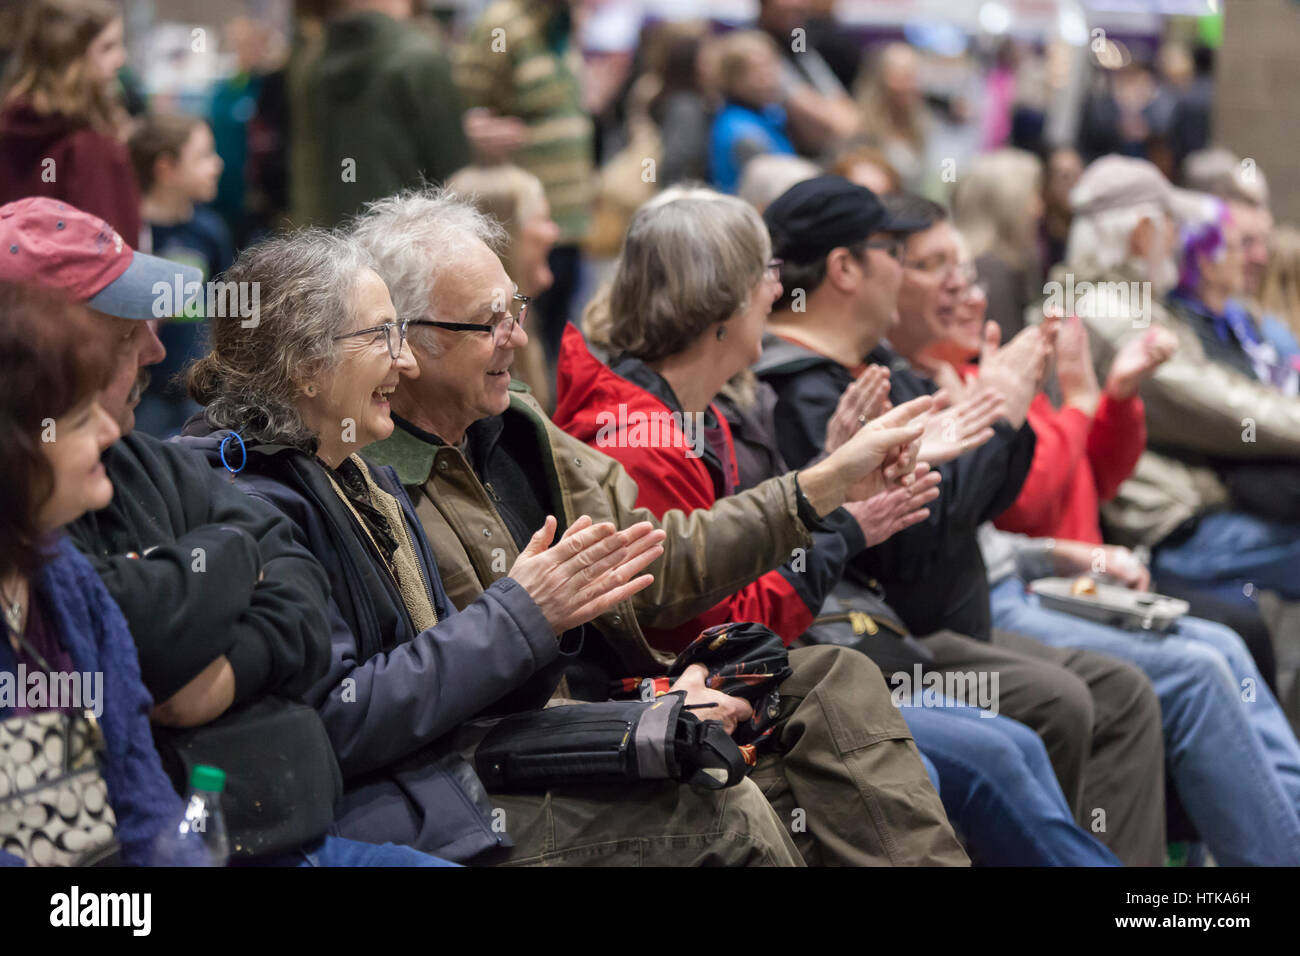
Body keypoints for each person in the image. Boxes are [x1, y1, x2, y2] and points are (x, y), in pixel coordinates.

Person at [355, 187, 970, 866]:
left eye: (516, 311)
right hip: (512, 764)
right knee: (738, 810)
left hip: (617, 705)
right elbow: (456, 702)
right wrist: (658, 709)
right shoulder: (371, 482)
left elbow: (660, 559)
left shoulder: (520, 426)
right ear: (405, 341)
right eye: (488, 322)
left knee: (839, 681)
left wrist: (824, 486)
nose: (518, 337)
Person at [179, 226, 803, 867]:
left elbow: (453, 682)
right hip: (380, 805)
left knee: (777, 738)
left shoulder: (362, 479)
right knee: (725, 814)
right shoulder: (251, 507)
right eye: (381, 337)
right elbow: (340, 721)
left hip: (444, 771)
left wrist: (550, 622)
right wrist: (521, 613)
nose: (405, 361)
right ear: (306, 368)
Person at [551, 186, 1116, 866]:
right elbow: (713, 621)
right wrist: (846, 517)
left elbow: (746, 570)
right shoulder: (639, 433)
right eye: (765, 274)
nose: (777, 290)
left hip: (790, 663)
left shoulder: (697, 411)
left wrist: (834, 479)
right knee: (1005, 739)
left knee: (1032, 728)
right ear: (722, 300)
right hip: (713, 693)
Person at [0, 197, 449, 867]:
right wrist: (522, 616)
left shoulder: (128, 481)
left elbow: (301, 602)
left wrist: (227, 663)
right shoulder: (190, 480)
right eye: (123, 331)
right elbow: (156, 629)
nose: (157, 345)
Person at [755, 177, 1167, 864]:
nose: (953, 285)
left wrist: (1012, 413)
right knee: (1056, 706)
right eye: (908, 255)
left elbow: (993, 501)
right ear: (847, 267)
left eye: (962, 269)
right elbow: (913, 544)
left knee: (1131, 684)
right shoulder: (804, 385)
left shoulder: (878, 367)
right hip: (885, 637)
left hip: (938, 622)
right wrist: (1019, 411)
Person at [926, 252, 1300, 865]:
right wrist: (1074, 401)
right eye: (948, 282)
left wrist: (1116, 399)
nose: (970, 299)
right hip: (1023, 591)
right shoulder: (959, 387)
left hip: (1066, 573)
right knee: (1205, 661)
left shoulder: (985, 374)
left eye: (972, 284)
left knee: (1224, 646)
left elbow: (1094, 479)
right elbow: (1022, 503)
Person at [0, 280, 180, 867]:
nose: (109, 429)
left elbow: (141, 799)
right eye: (81, 418)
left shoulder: (64, 577)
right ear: (14, 451)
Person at [455, 0, 592, 370]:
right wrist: (471, 131)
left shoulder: (564, 23)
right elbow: (461, 111)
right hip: (520, 223)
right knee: (519, 346)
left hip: (567, 221)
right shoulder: (502, 25)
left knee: (555, 348)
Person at [289, 0, 469, 227]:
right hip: (406, 243)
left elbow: (303, 163)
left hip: (327, 245)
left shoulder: (310, 64)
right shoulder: (421, 60)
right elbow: (456, 175)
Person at [128, 112, 232, 438]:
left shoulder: (210, 230)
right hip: (143, 391)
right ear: (166, 168)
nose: (217, 164)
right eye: (203, 156)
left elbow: (229, 304)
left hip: (196, 390)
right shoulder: (129, 231)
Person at [0, 0, 138, 239]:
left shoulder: (10, 128)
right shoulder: (90, 147)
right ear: (70, 57)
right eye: (107, 47)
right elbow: (111, 256)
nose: (121, 59)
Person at [446, 164, 560, 412]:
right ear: (504, 237)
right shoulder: (481, 354)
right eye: (542, 220)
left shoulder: (526, 320)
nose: (553, 232)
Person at [952, 149, 1045, 342]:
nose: (1039, 210)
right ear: (1006, 204)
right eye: (1033, 196)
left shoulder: (992, 265)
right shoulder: (992, 272)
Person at [708, 31, 797, 195]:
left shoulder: (770, 113)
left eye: (771, 66)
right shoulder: (741, 132)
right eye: (756, 71)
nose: (768, 78)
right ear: (730, 78)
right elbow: (775, 188)